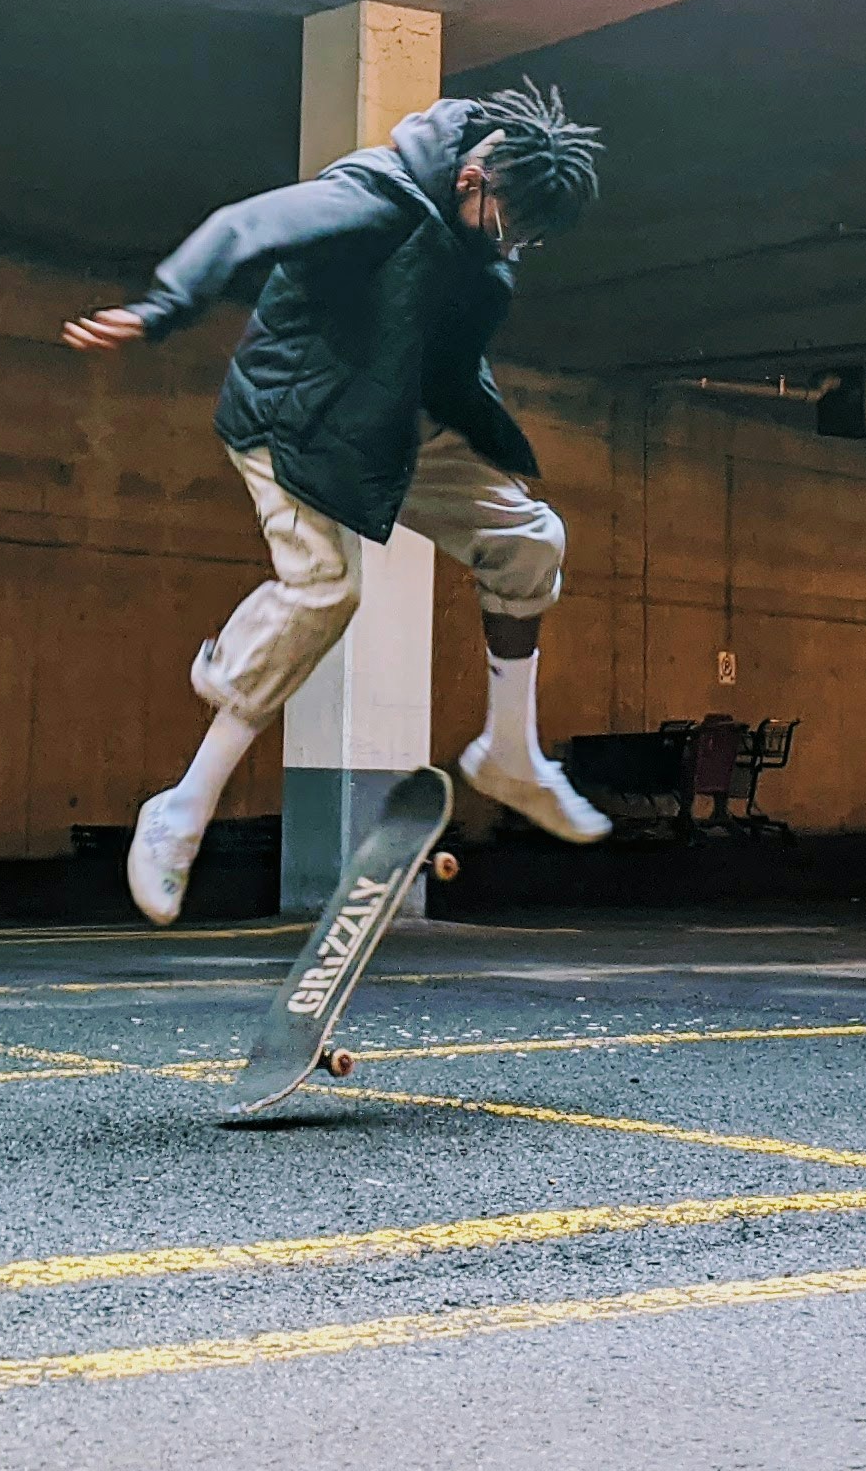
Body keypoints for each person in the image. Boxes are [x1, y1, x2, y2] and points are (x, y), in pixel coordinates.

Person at [63, 78, 616, 922]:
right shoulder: (373, 197)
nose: (512, 249)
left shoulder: (484, 237)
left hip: (396, 419)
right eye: (511, 228)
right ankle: (181, 810)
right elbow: (243, 226)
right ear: (476, 180)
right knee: (326, 591)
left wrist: (488, 439)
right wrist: (162, 307)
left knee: (531, 540)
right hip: (295, 421)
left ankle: (510, 750)